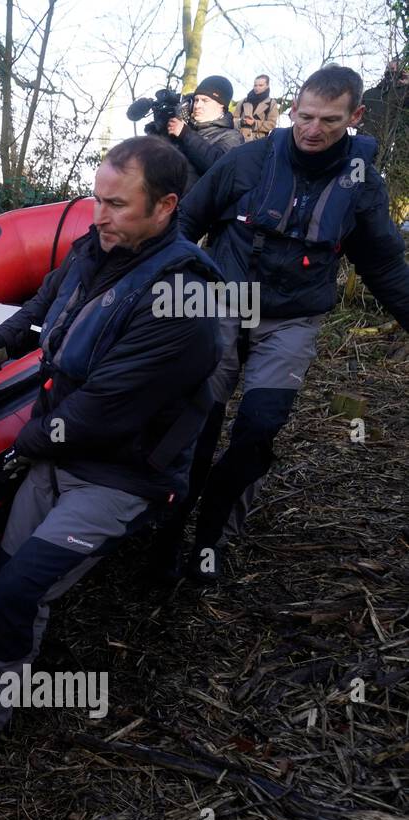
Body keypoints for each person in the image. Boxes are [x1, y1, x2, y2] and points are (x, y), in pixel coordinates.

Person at [0, 136, 223, 775]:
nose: (98, 215)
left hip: (122, 473)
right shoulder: (96, 247)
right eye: (96, 198)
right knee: (1, 581)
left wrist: (20, 452)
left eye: (116, 204)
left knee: (23, 587)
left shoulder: (183, 298)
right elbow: (45, 304)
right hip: (63, 450)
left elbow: (104, 407)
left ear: (166, 206)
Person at [156, 64, 409, 583]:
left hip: (293, 318)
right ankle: (167, 530)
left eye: (330, 121)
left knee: (257, 430)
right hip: (227, 302)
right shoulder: (246, 161)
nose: (313, 130)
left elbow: (382, 263)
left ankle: (213, 538)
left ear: (355, 116)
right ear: (292, 109)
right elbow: (186, 223)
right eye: (306, 116)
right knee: (199, 422)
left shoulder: (363, 183)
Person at [166, 75, 245, 189]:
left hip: (192, 204)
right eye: (196, 100)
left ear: (221, 104)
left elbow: (219, 166)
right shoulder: (184, 126)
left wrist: (185, 134)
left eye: (205, 100)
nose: (198, 105)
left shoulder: (232, 136)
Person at [234, 74, 278, 143]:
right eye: (255, 85)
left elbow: (272, 124)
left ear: (267, 86)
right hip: (238, 139)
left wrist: (254, 123)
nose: (257, 88)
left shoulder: (272, 103)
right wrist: (241, 122)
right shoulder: (243, 101)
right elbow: (233, 119)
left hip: (258, 142)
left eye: (260, 85)